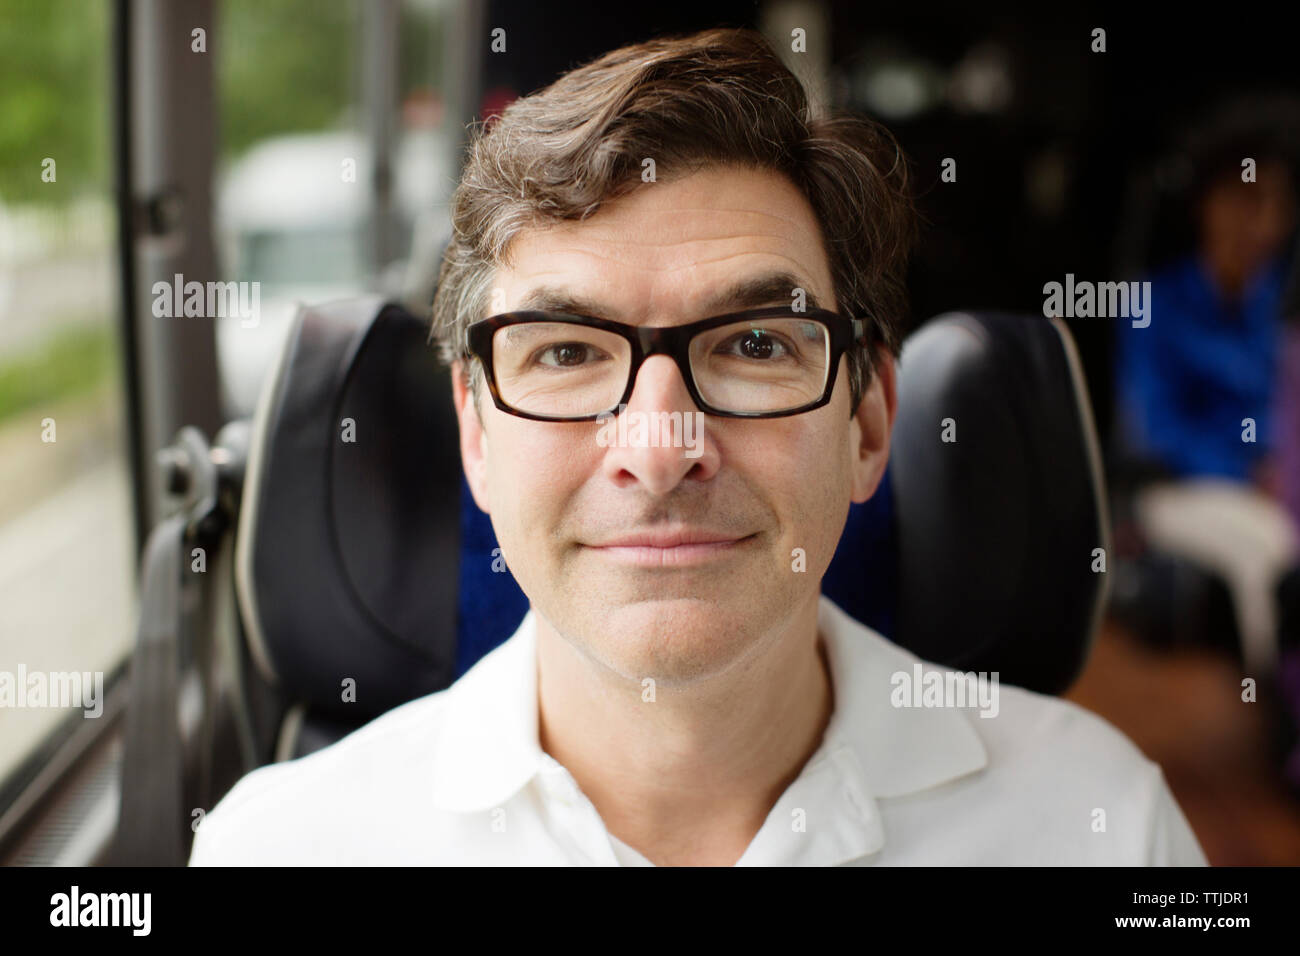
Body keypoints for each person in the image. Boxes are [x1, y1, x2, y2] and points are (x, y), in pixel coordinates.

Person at [189, 27, 1206, 866]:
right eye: (566, 353)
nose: (661, 446)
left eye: (755, 343)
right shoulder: (278, 847)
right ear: (476, 433)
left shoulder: (1104, 824)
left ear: (866, 424)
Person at [1115, 135, 1298, 679]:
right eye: (1246, 198)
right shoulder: (1151, 304)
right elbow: (1152, 430)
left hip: (1280, 487)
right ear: (1206, 204)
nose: (1260, 222)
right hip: (1178, 491)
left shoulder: (1280, 309)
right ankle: (1276, 711)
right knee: (1265, 552)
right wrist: (1245, 468)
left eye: (1275, 203)